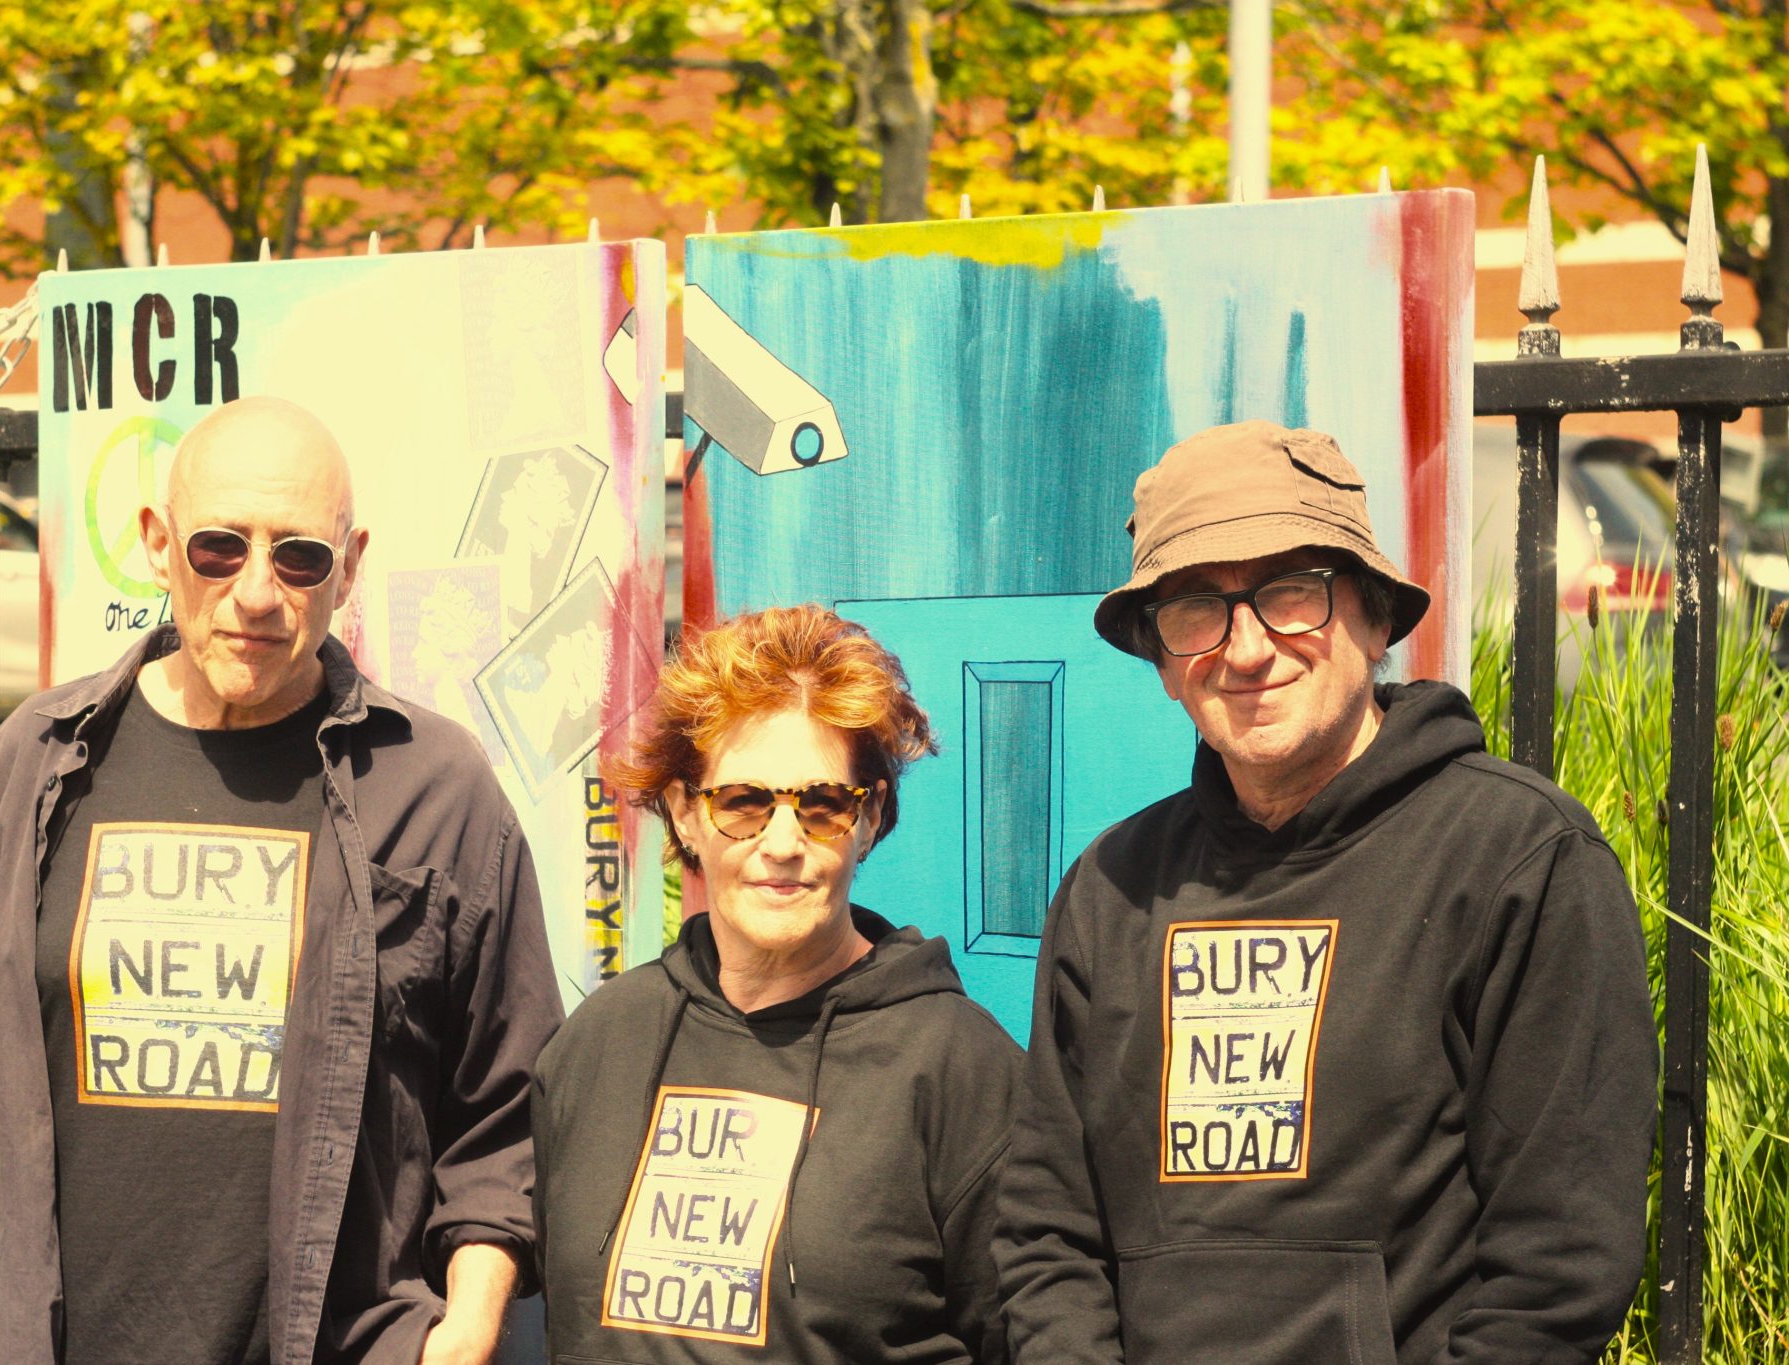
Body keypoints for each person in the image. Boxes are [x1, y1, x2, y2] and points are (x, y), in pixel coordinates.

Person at [0, 396, 564, 1365]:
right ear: (158, 545)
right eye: (217, 548)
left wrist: (467, 1328)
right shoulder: (31, 768)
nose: (255, 592)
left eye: (298, 557)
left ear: (350, 564)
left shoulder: (434, 788)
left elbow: (505, 1106)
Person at [994, 420, 1658, 1363]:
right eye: (1196, 611)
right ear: (1163, 665)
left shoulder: (1518, 859)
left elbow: (1560, 1265)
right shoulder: (1113, 888)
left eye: (1292, 594)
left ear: (1377, 616)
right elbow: (1047, 1228)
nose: (1249, 649)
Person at [532, 604, 1023, 1362]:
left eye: (823, 805)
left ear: (870, 819)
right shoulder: (597, 1045)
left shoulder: (962, 1072)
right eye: (744, 802)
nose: (783, 842)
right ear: (684, 815)